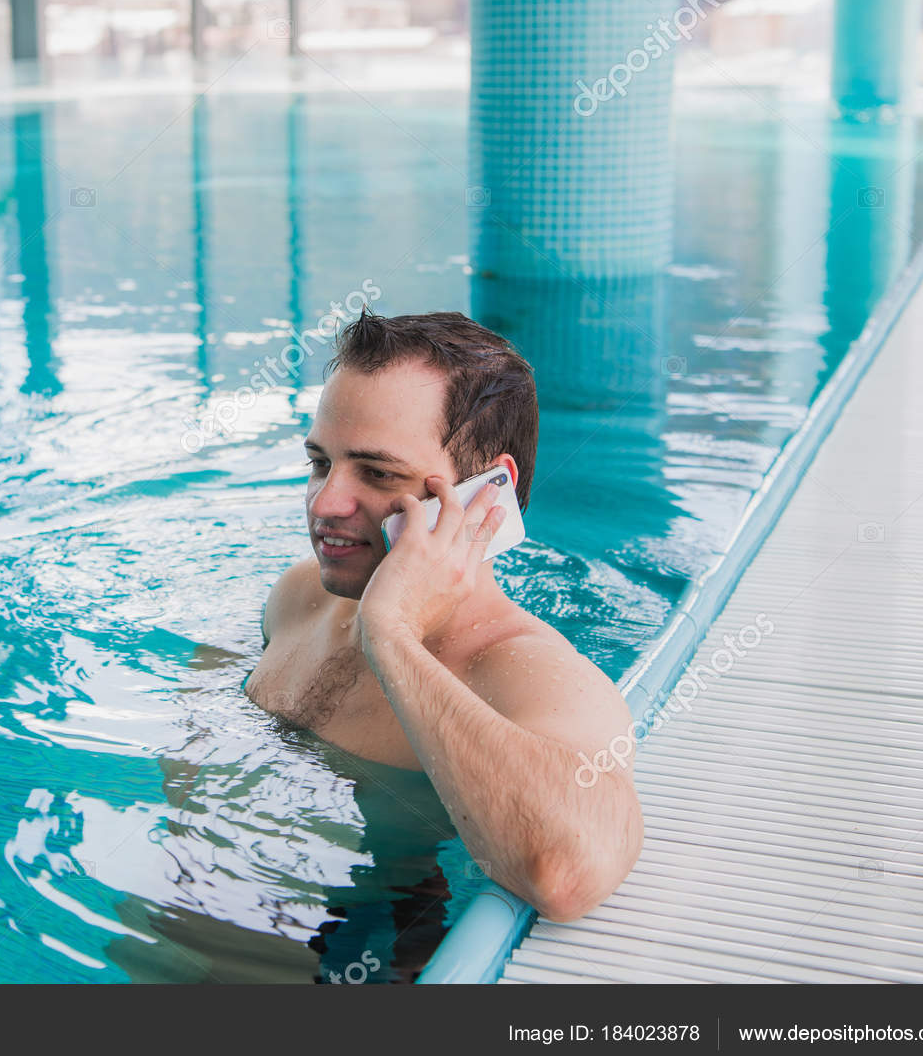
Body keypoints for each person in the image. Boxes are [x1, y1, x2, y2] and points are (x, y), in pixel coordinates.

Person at [245, 310, 644, 923]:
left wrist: (391, 634)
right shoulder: (301, 596)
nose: (325, 503)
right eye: (321, 463)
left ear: (487, 491)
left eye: (378, 473)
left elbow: (567, 874)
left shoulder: (535, 677)